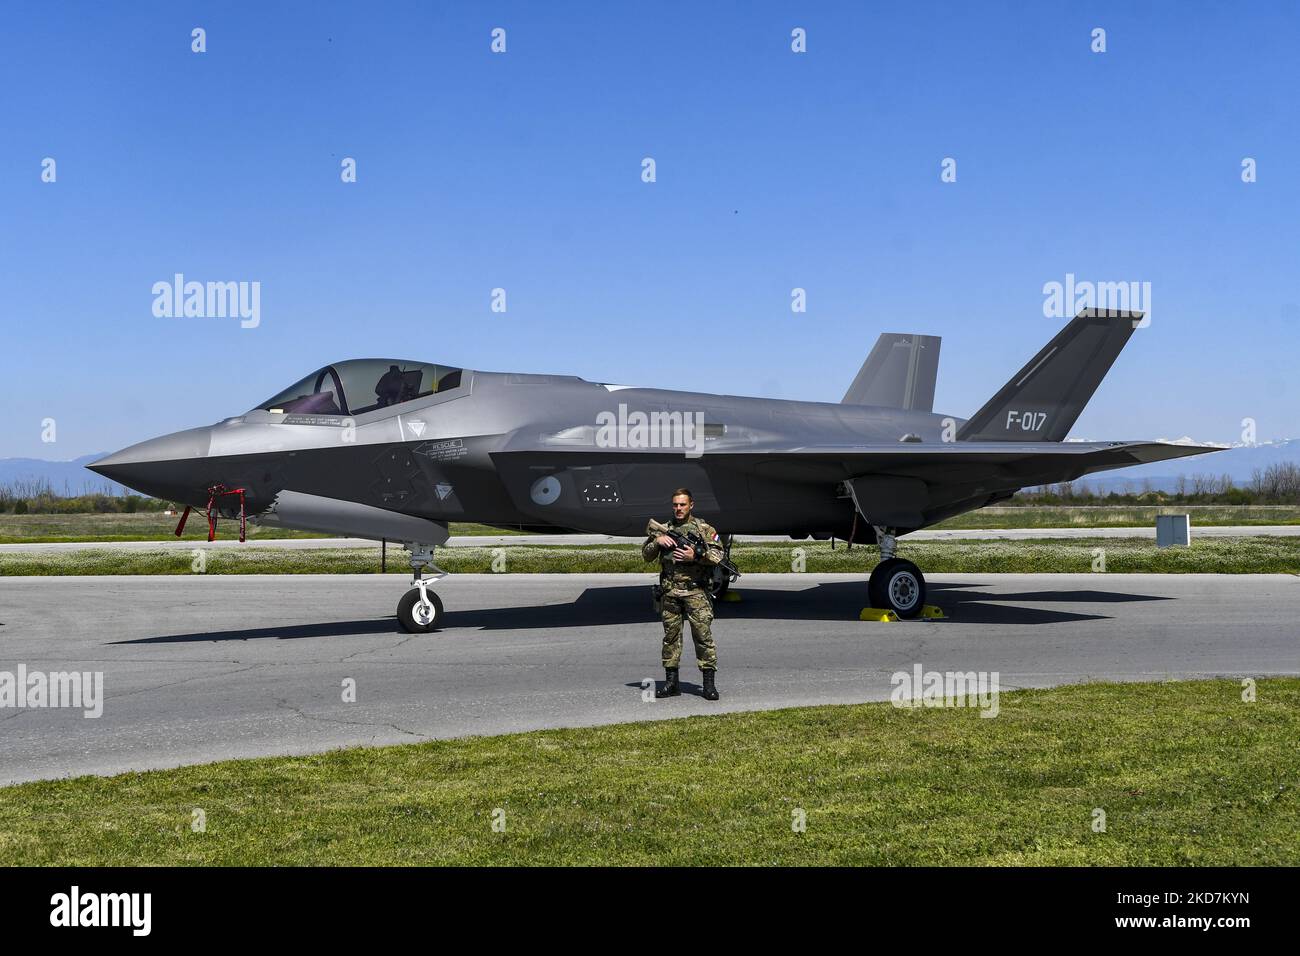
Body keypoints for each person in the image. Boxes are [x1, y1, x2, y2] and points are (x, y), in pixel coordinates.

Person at [642, 487, 724, 700]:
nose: (678, 509)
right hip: (670, 593)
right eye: (675, 505)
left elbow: (718, 556)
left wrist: (695, 556)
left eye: (682, 505)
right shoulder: (664, 529)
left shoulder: (704, 529)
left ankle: (708, 685)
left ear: (691, 505)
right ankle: (671, 684)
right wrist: (656, 542)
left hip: (696, 592)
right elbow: (646, 555)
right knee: (670, 638)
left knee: (703, 637)